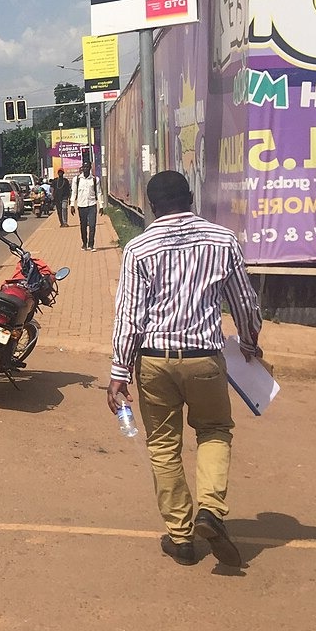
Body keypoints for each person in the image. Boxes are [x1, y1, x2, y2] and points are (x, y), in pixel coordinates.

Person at [107, 170, 263, 568]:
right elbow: (245, 304)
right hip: (205, 359)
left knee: (163, 446)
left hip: (154, 361)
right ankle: (210, 509)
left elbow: (129, 316)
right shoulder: (222, 240)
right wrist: (248, 344)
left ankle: (181, 539)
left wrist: (118, 373)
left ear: (152, 207)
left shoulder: (139, 249)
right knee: (213, 431)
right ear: (191, 198)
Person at [70, 161, 102, 250]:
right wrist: (72, 205)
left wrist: (101, 205)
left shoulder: (95, 179)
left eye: (87, 167)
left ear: (90, 168)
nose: (86, 169)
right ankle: (84, 243)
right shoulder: (77, 179)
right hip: (81, 205)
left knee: (92, 225)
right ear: (82, 168)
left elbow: (99, 192)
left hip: (92, 205)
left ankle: (91, 245)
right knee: (83, 225)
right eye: (84, 167)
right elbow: (74, 192)